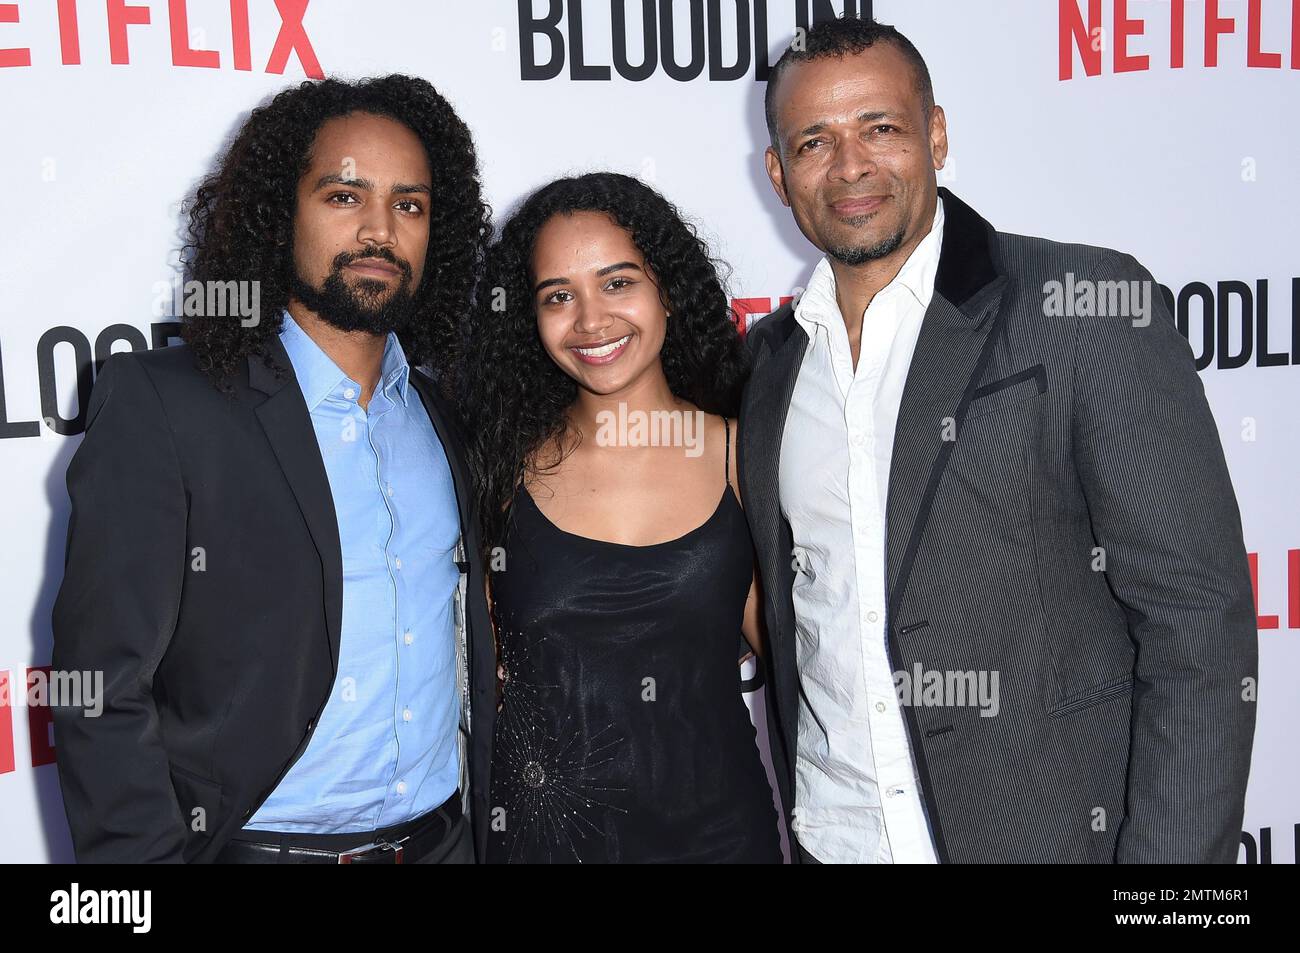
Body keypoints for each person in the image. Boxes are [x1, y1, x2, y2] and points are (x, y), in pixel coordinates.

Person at [741, 16, 1257, 863]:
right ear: (778, 172)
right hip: (840, 844)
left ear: (936, 135)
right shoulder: (769, 368)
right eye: (813, 142)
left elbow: (1198, 623)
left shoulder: (1082, 306)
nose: (850, 167)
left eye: (881, 128)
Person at [50, 75, 496, 864]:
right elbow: (99, 690)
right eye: (342, 197)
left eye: (410, 204)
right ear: (277, 213)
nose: (379, 231)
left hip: (442, 843)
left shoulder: (442, 414)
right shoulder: (166, 406)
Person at [462, 172, 781, 863]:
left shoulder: (745, 457)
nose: (591, 321)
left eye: (617, 282)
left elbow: (803, 663)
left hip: (719, 838)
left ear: (666, 287)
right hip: (539, 842)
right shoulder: (497, 471)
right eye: (557, 296)